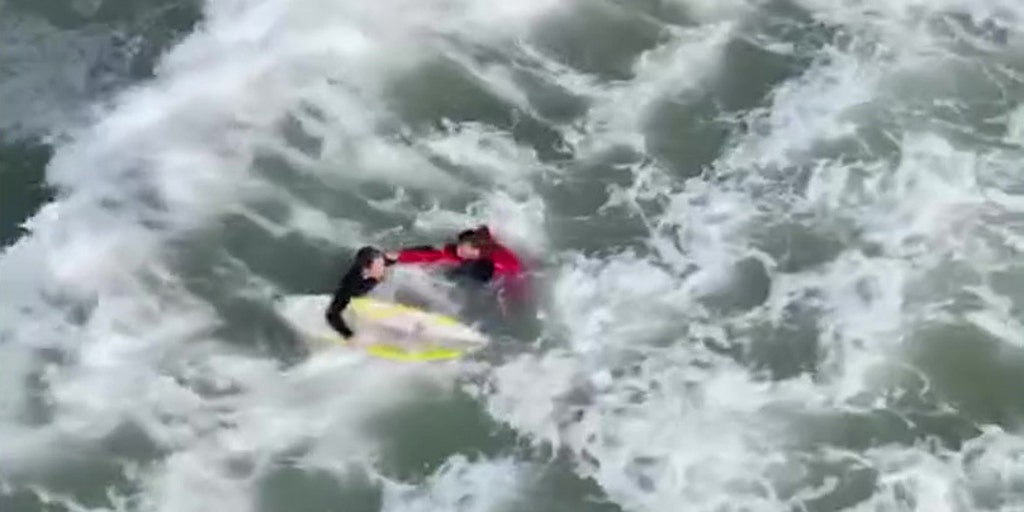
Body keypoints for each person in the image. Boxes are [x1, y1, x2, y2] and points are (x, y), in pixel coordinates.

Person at [387, 225, 526, 311]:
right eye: (459, 246)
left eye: (463, 250)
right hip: (481, 270)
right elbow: (436, 255)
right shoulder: (469, 248)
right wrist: (400, 256)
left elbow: (513, 281)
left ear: (476, 252)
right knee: (440, 258)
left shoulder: (500, 265)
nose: (459, 251)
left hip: (507, 281)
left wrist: (506, 302)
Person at [324, 246, 392, 339]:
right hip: (355, 300)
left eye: (383, 263)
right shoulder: (351, 285)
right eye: (380, 265)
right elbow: (331, 315)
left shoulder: (382, 264)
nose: (384, 267)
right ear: (368, 268)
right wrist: (348, 335)